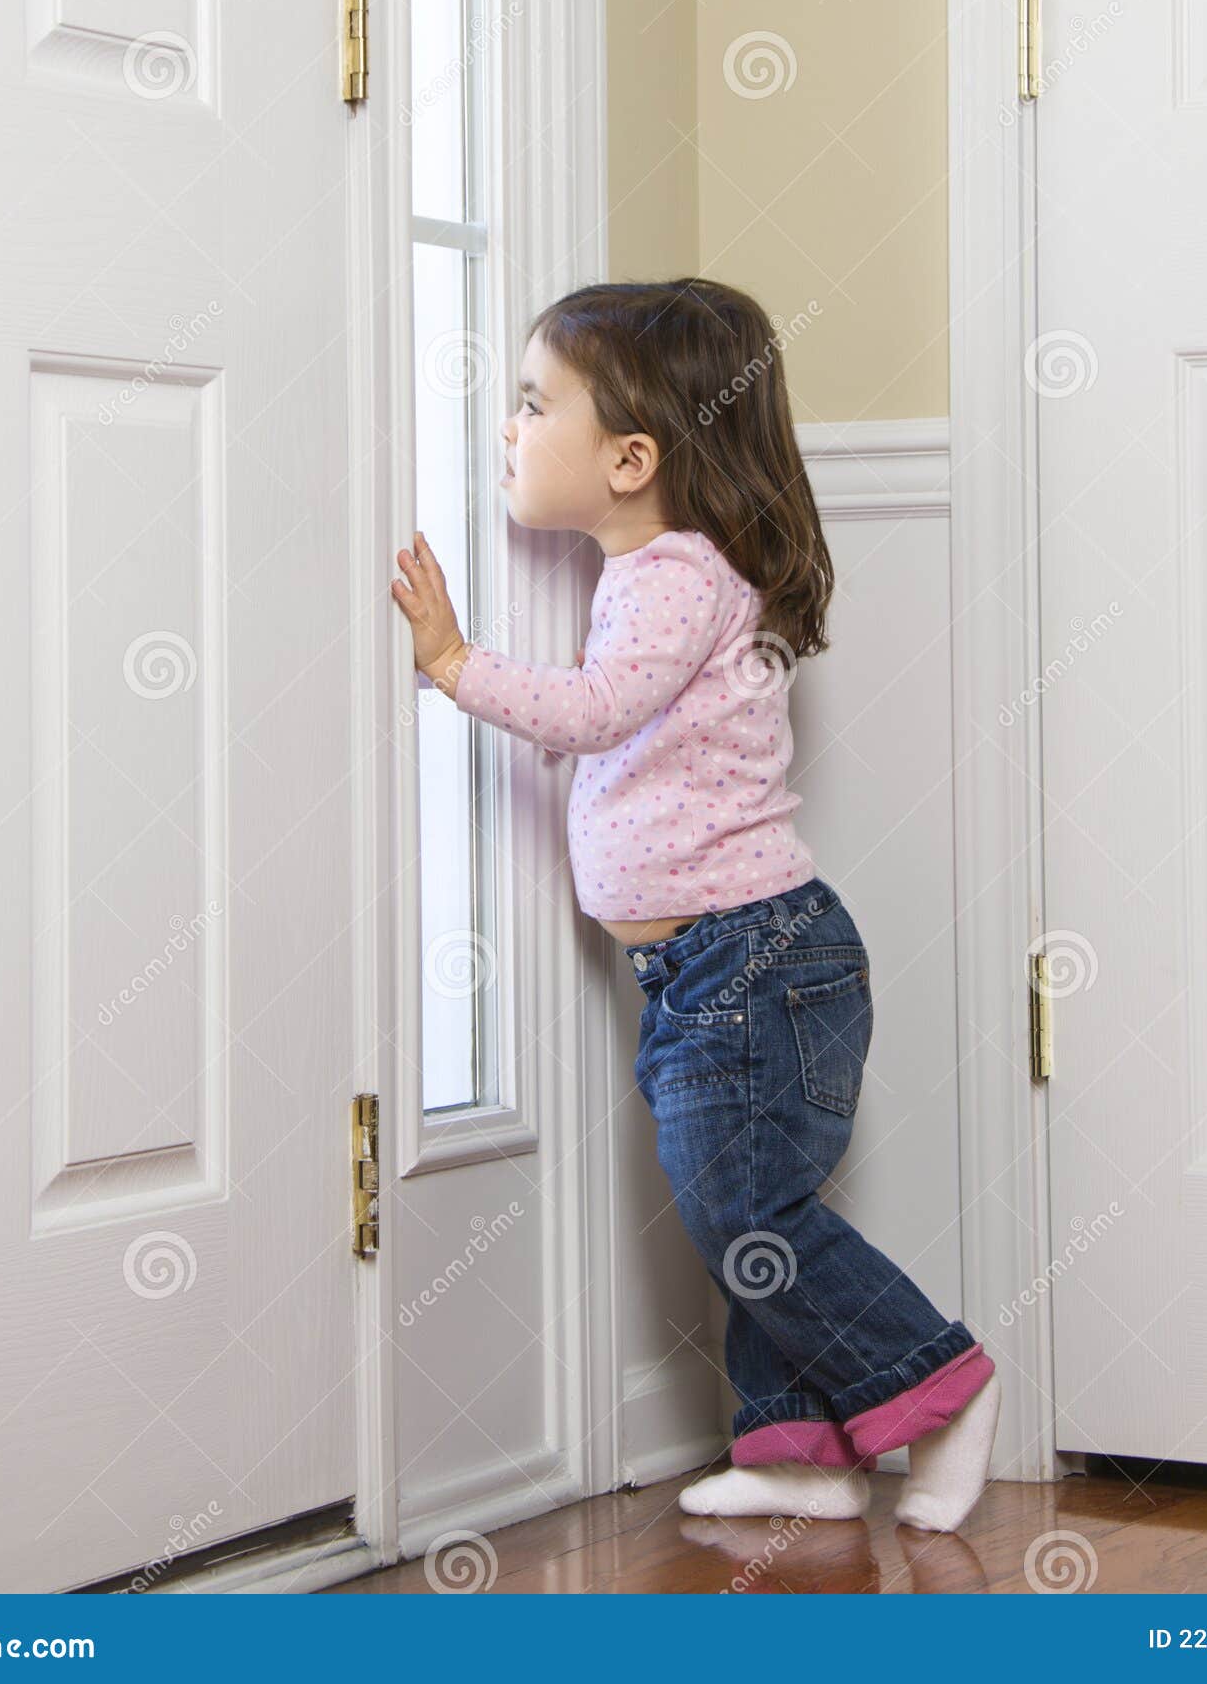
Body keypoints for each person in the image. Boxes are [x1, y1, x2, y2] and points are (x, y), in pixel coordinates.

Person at [390, 277, 999, 1530]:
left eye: (526, 404)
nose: (505, 430)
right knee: (751, 1209)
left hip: (751, 965)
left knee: (741, 1206)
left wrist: (454, 664)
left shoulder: (671, 576)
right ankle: (795, 1454)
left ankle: (937, 1379)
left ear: (629, 458)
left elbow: (595, 712)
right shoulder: (664, 570)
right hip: (719, 972)